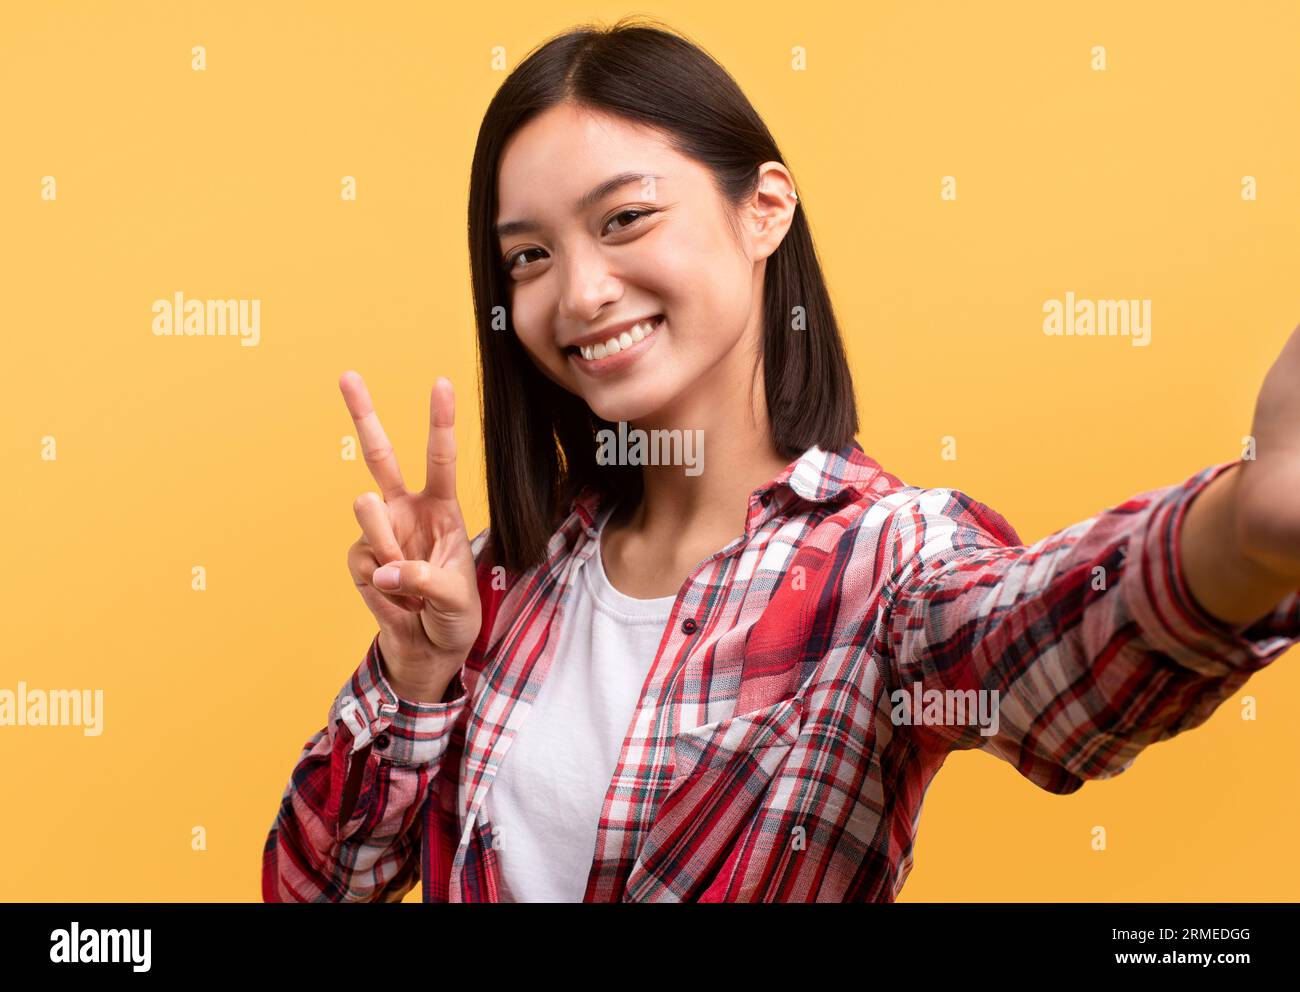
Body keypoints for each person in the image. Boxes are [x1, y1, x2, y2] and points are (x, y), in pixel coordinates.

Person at [262, 17, 1300, 902]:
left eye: (624, 218)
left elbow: (1045, 648)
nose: (576, 294)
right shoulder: (499, 581)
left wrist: (1246, 533)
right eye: (529, 255)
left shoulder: (881, 559)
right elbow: (312, 885)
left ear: (764, 208)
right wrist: (416, 672)